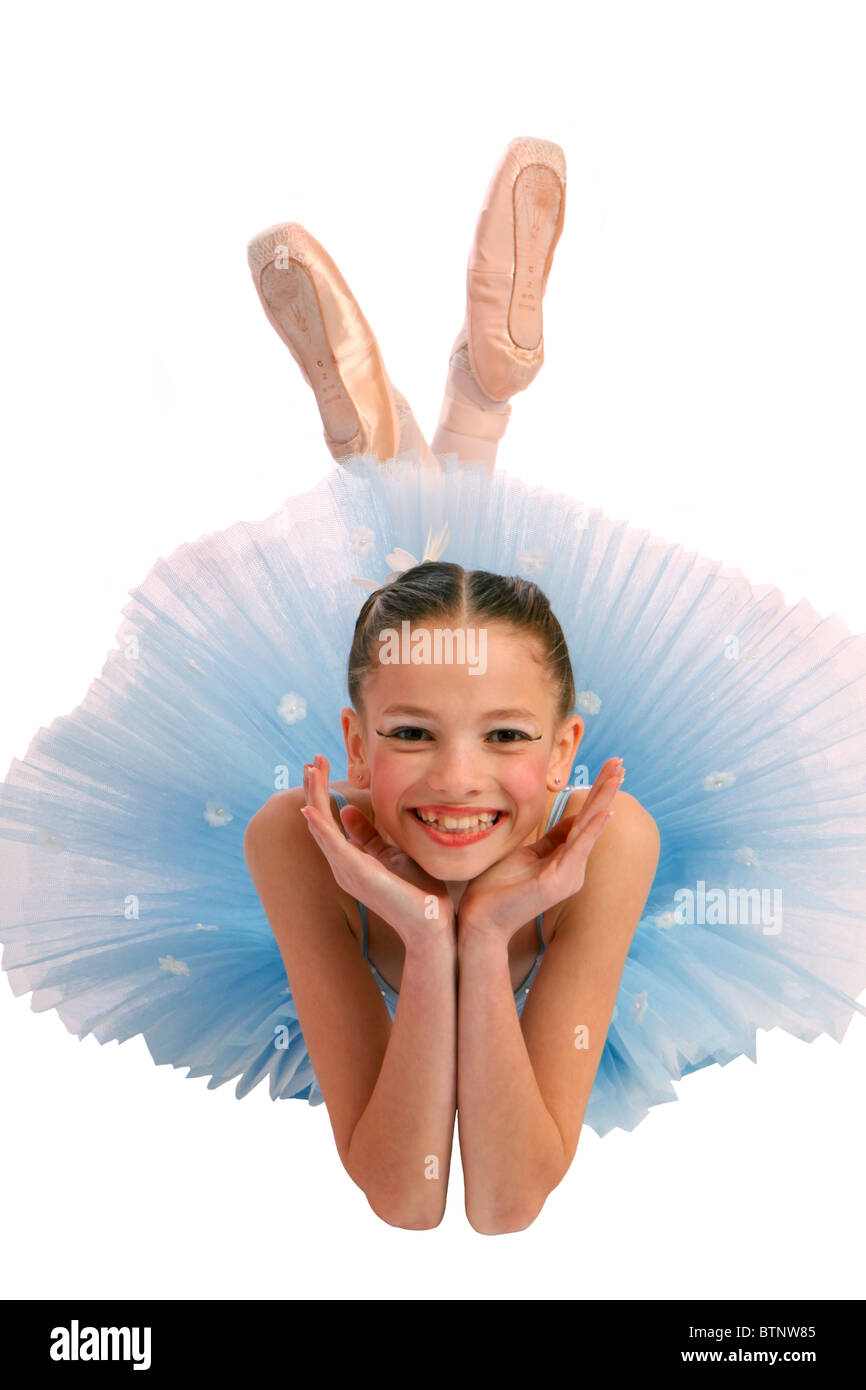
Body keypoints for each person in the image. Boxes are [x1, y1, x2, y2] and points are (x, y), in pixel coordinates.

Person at [2, 139, 865, 1236]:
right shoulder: (296, 834)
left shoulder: (611, 840)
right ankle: (448, 416)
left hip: (488, 753)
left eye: (508, 739)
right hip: (400, 772)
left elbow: (501, 1203)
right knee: (438, 636)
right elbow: (406, 1197)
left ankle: (421, 430)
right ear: (355, 755)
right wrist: (423, 928)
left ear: (565, 756)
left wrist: (481, 923)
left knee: (434, 633)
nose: (457, 782)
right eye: (407, 737)